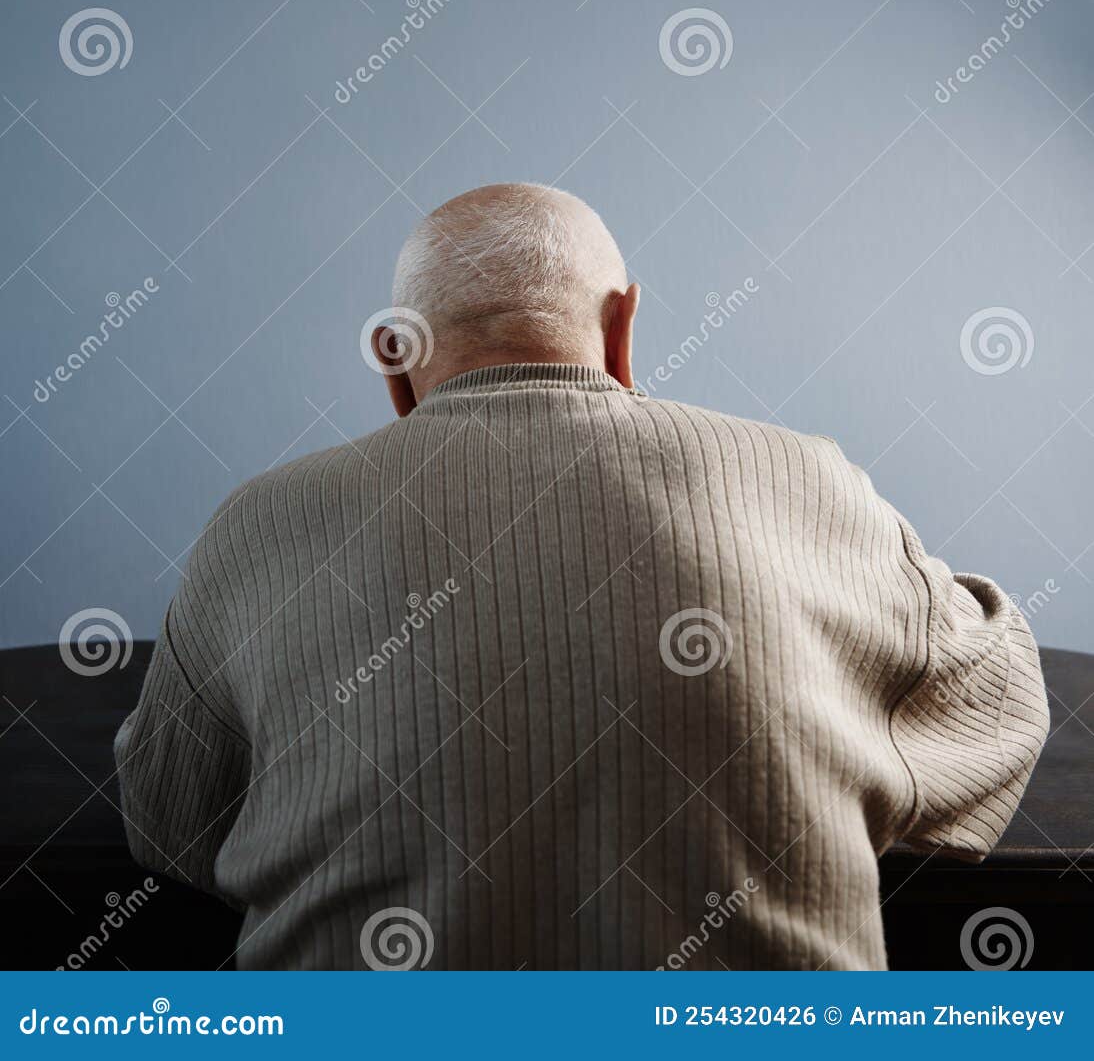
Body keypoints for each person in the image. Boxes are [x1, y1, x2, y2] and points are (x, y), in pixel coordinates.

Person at [115, 182, 1048, 970]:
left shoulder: (256, 526)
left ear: (398, 365)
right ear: (621, 330)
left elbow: (171, 827)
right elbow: (997, 718)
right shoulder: (808, 479)